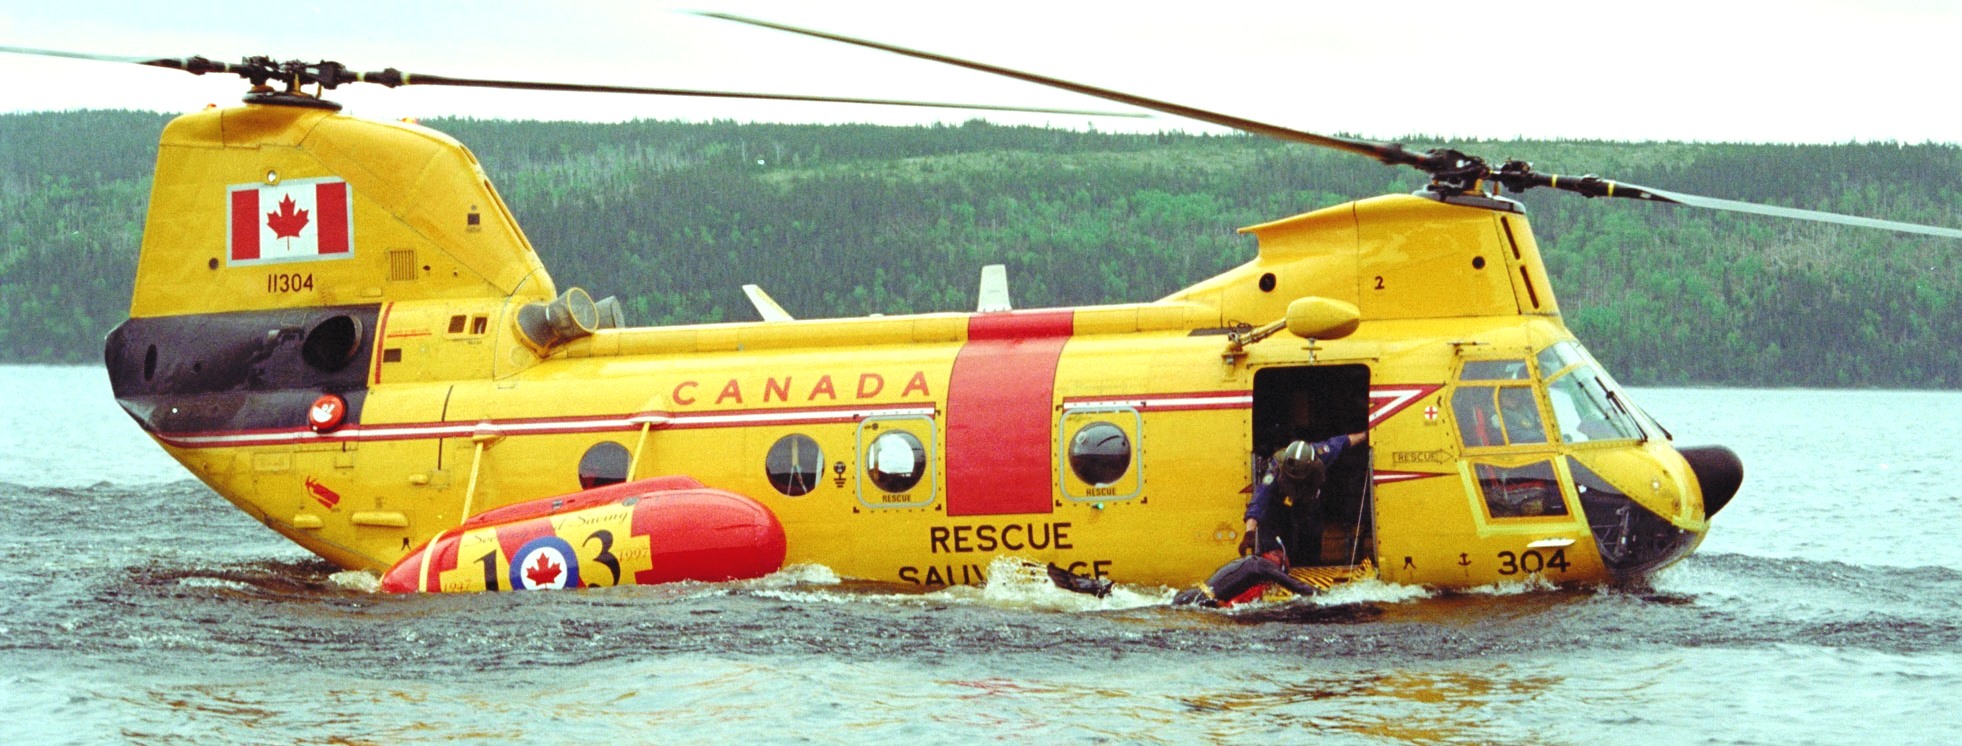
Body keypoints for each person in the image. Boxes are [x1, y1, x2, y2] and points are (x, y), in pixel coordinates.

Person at [1240, 432, 1369, 564]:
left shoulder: (1321, 453)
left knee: (1312, 535)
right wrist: (1249, 532)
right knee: (1278, 537)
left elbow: (1343, 442)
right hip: (1281, 505)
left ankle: (1311, 562)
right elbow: (1261, 496)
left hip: (1308, 502)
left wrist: (1366, 434)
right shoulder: (1275, 467)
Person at [1172, 548, 1320, 607]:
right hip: (1202, 603)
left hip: (1190, 597)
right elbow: (1294, 585)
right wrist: (1322, 595)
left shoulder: (1247, 562)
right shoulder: (1263, 565)